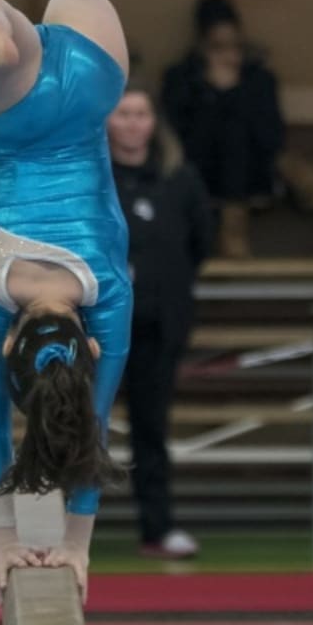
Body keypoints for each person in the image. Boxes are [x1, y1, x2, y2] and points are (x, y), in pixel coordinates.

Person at [0, 0, 130, 601]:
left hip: (94, 83)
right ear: (7, 348)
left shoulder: (110, 297)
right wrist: (4, 544)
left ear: (88, 349)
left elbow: (91, 434)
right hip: (15, 112)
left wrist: (75, 547)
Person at [107, 83, 212, 557]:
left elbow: (199, 245)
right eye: (123, 113)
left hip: (157, 328)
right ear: (107, 121)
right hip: (97, 327)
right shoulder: (89, 176)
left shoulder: (180, 180)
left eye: (140, 114)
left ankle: (158, 527)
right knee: (76, 425)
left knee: (151, 430)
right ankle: (63, 529)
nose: (132, 123)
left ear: (154, 122)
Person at [161, 0, 285, 259]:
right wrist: (213, 95)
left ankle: (234, 224)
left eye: (235, 46)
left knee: (235, 134)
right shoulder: (181, 79)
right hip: (196, 167)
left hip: (252, 172)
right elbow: (178, 137)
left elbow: (271, 137)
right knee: (225, 130)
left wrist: (233, 93)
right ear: (202, 47)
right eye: (218, 47)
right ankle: (230, 226)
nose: (229, 56)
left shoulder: (258, 79)